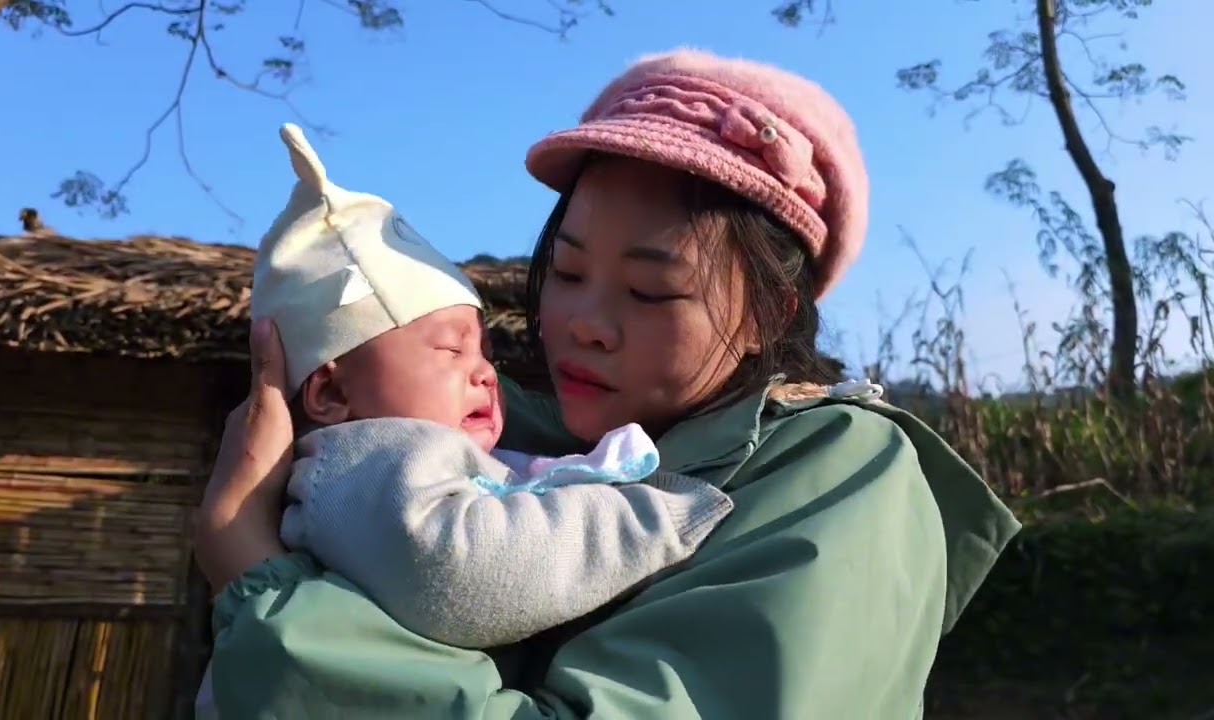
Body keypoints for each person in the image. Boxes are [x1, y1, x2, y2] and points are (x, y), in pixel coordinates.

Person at [195, 48, 1023, 717]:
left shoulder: (840, 476)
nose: (582, 321)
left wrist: (256, 583)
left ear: (772, 312)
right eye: (566, 270)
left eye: (650, 289)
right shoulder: (492, 433)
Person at [247, 122, 735, 649]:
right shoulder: (362, 464)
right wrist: (652, 515)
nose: (484, 373)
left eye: (486, 351)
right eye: (451, 350)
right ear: (332, 394)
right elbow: (457, 568)